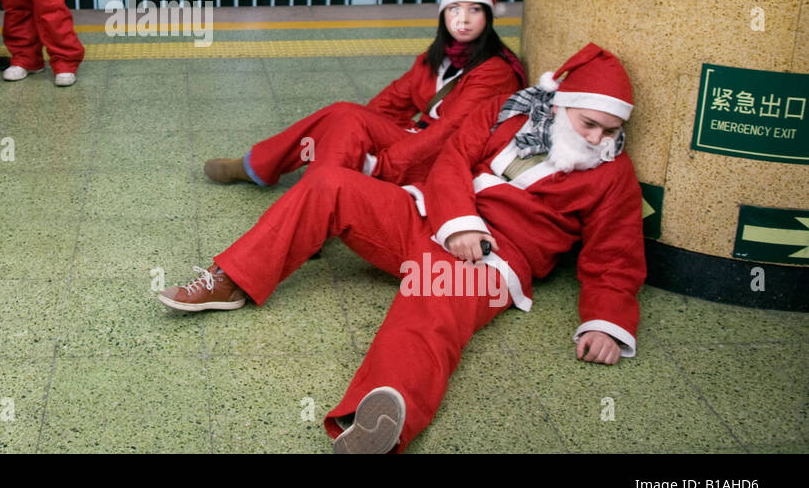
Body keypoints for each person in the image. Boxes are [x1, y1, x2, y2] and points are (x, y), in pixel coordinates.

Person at [159, 44, 646, 453]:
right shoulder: (507, 113)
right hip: (430, 214)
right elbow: (451, 160)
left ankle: (376, 424)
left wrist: (607, 323)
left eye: (609, 130)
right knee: (329, 182)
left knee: (430, 307)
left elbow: (615, 256)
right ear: (560, 104)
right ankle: (235, 279)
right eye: (589, 124)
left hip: (495, 258)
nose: (599, 139)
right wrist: (458, 220)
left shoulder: (614, 175)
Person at [205, 0, 525, 188]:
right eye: (455, 9)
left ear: (489, 16)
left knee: (345, 115)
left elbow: (450, 134)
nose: (463, 20)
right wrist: (364, 132)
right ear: (443, 14)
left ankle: (260, 169)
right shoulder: (439, 55)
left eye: (475, 10)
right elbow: (395, 98)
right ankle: (287, 182)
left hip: (442, 158)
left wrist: (382, 164)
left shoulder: (494, 71)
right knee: (345, 122)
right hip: (414, 140)